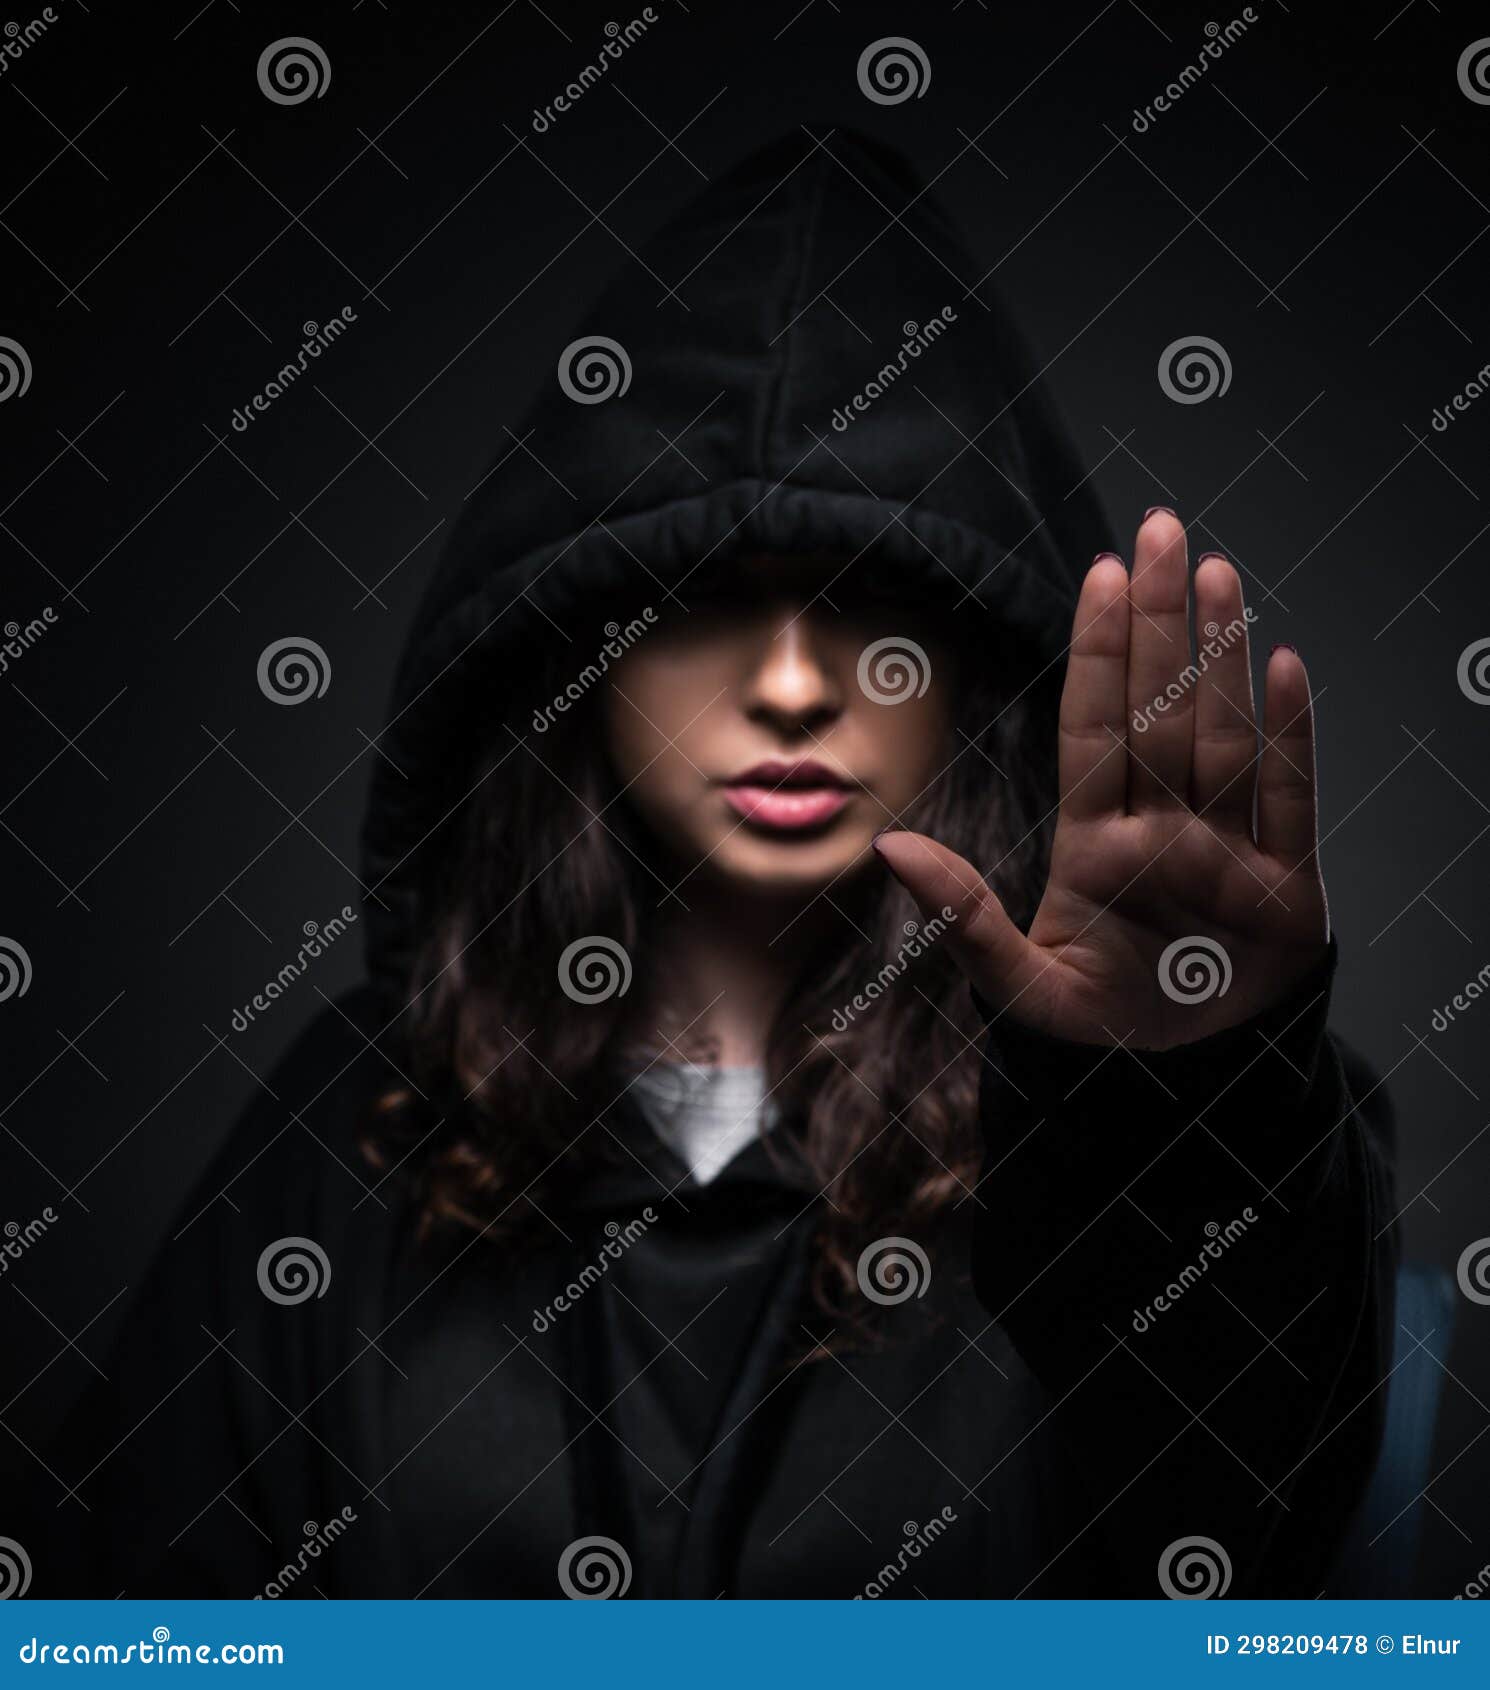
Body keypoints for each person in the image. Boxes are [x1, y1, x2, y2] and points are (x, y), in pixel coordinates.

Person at [24, 132, 1395, 1599]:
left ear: (971, 663)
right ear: (574, 643)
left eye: (868, 606)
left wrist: (1171, 1115)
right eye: (707, 601)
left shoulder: (1154, 1123)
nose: (796, 684)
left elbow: (1240, 1538)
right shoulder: (343, 1129)